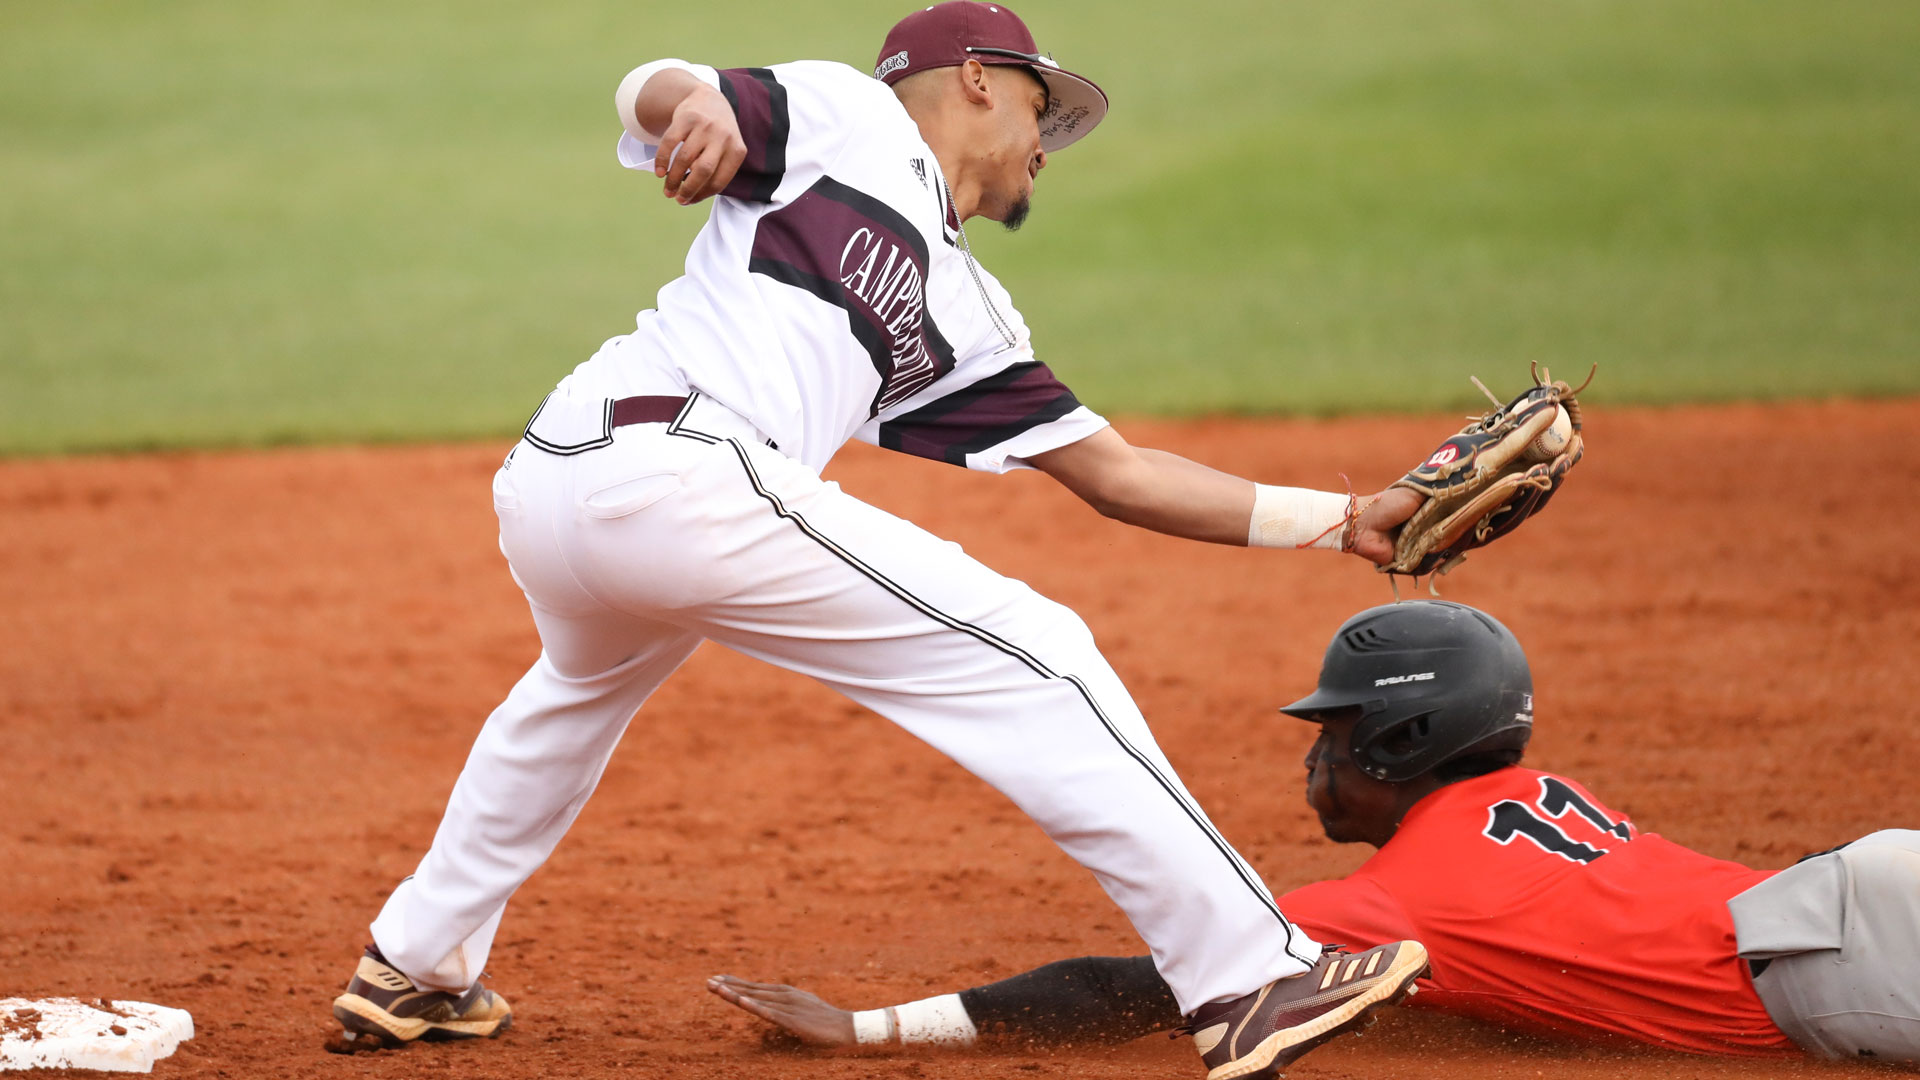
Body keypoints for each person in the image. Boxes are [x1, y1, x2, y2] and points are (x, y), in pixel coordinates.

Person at [327, 5, 1437, 1077]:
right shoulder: (855, 118)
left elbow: (1122, 477)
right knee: (1040, 653)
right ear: (974, 78)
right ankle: (1250, 978)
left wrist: (1343, 522)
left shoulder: (962, 309)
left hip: (568, 483)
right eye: (1040, 111)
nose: (1046, 149)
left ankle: (418, 964)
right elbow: (651, 86)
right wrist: (698, 102)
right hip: (677, 468)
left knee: (569, 703)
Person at [708, 601, 1920, 1064]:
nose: (1316, 757)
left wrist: (873, 1029)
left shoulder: (1404, 901)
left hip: (1844, 966)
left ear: (1403, 744)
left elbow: (1144, 981)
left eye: (1337, 734)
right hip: (1856, 897)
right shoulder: (1536, 797)